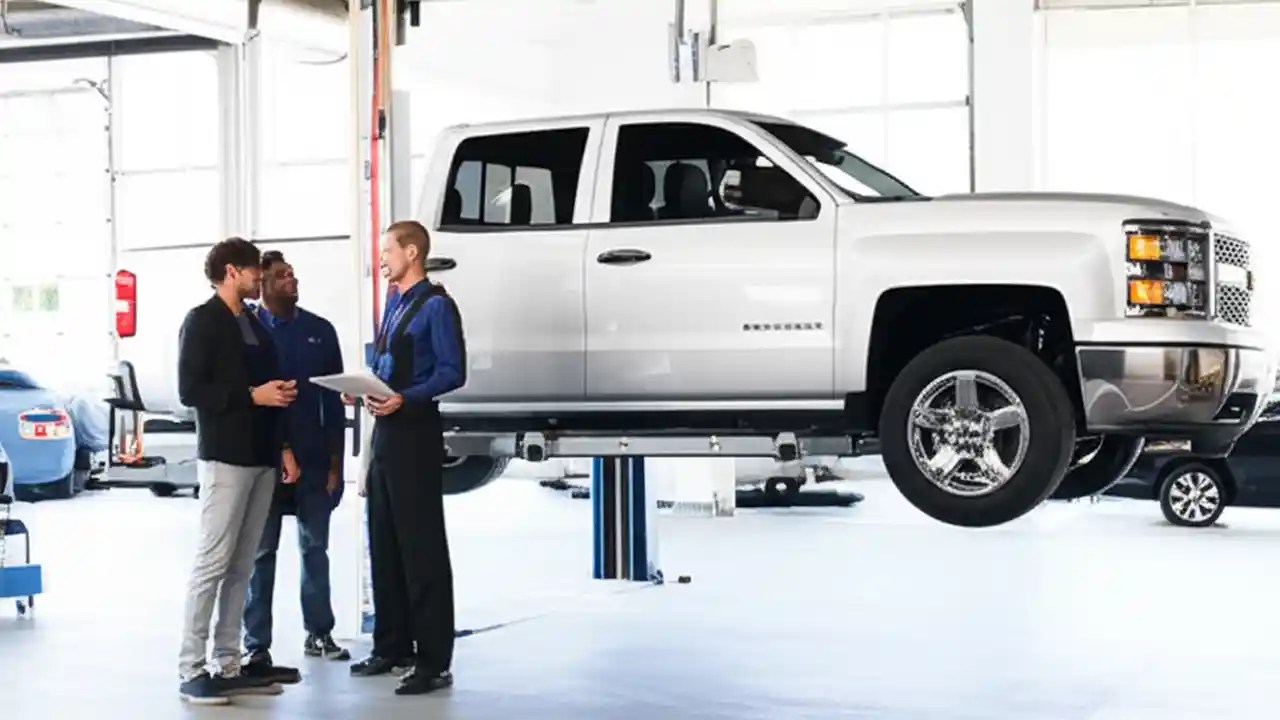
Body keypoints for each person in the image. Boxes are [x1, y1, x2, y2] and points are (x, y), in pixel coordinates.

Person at [176, 237, 298, 706]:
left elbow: (265, 383)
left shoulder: (254, 323)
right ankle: (192, 668)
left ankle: (228, 663)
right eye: (253, 272)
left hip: (261, 456)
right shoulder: (202, 321)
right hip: (226, 457)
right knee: (212, 562)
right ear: (231, 271)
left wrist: (281, 436)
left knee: (242, 563)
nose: (259, 279)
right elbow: (191, 390)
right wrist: (251, 395)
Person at [349, 220, 466, 696]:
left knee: (421, 547)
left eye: (388, 251)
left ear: (412, 252)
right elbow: (386, 366)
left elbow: (452, 371)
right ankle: (392, 645)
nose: (381, 260)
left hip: (415, 430)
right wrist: (363, 389)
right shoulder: (394, 303)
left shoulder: (437, 305)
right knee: (384, 540)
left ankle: (434, 660)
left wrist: (407, 398)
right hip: (387, 431)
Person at [240, 250, 350, 685]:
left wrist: (337, 463)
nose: (292, 280)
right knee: (261, 553)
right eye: (281, 275)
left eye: (293, 273)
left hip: (316, 457)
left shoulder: (320, 332)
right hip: (265, 461)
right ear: (263, 284)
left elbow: (335, 402)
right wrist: (281, 449)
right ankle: (256, 645)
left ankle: (319, 632)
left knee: (314, 548)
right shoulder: (249, 331)